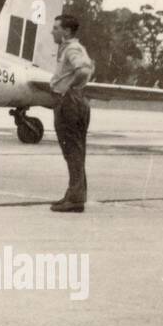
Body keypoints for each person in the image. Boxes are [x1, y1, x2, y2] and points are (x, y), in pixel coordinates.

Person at [49, 13, 93, 212]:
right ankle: (75, 194)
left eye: (56, 28)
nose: (52, 31)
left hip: (69, 101)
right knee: (76, 150)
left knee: (72, 151)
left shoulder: (72, 49)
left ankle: (75, 199)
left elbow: (83, 71)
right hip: (77, 99)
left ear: (66, 31)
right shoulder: (75, 48)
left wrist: (68, 89)